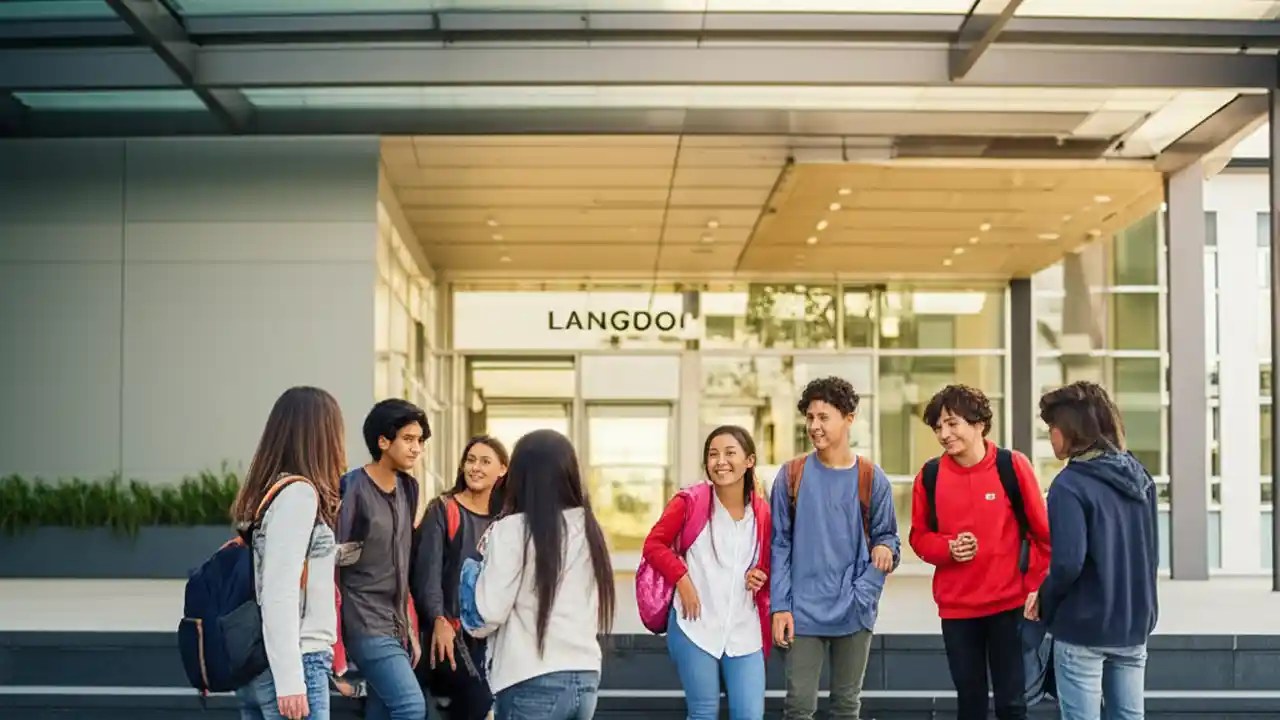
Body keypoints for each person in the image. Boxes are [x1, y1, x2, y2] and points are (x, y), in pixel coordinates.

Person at [910, 384, 1050, 720]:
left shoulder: (1012, 466)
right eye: (938, 427)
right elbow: (919, 537)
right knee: (969, 703)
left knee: (1012, 704)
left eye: (952, 423)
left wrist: (1035, 587)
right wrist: (947, 548)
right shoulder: (930, 475)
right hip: (957, 610)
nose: (944, 434)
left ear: (979, 424)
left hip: (1008, 606)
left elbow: (1043, 535)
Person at [460, 429, 615, 720]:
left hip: (531, 679)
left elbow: (486, 615)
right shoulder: (593, 530)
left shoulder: (513, 530)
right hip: (585, 678)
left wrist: (471, 574)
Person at [1026, 382, 1159, 720]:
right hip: (1133, 624)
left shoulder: (1069, 485)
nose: (1050, 438)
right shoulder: (1140, 477)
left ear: (1070, 430)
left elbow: (1068, 563)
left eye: (1051, 429)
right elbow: (1150, 555)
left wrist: (1044, 599)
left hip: (1083, 628)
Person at [771, 376, 900, 720]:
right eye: (810, 417)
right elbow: (779, 544)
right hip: (802, 612)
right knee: (798, 707)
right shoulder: (791, 475)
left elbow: (888, 538)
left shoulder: (872, 477)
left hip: (854, 609)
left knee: (846, 707)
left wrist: (869, 585)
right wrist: (780, 606)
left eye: (823, 417)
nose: (814, 426)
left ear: (848, 418)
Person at [641, 425, 773, 720]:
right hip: (694, 625)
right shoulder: (690, 501)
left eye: (730, 453)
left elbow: (767, 565)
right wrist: (683, 580)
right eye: (713, 454)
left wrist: (760, 574)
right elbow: (654, 544)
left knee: (750, 716)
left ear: (749, 461)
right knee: (703, 712)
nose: (720, 461)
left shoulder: (762, 512)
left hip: (744, 629)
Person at [232, 386, 346, 720]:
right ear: (320, 435)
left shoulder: (273, 492)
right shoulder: (298, 495)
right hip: (296, 659)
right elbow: (279, 590)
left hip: (267, 662)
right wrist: (291, 682)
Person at [338, 399, 431, 720]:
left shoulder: (409, 488)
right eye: (408, 439)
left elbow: (403, 564)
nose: (416, 448)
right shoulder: (352, 488)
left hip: (396, 622)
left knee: (382, 709)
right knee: (410, 706)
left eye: (420, 440)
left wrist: (411, 629)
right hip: (363, 620)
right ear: (382, 441)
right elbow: (333, 561)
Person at [415, 435, 509, 720]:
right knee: (476, 703)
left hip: (492, 641)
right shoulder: (443, 510)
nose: (475, 468)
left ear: (502, 470)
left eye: (485, 461)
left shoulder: (507, 519)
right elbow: (426, 575)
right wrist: (439, 620)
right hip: (450, 639)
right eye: (470, 460)